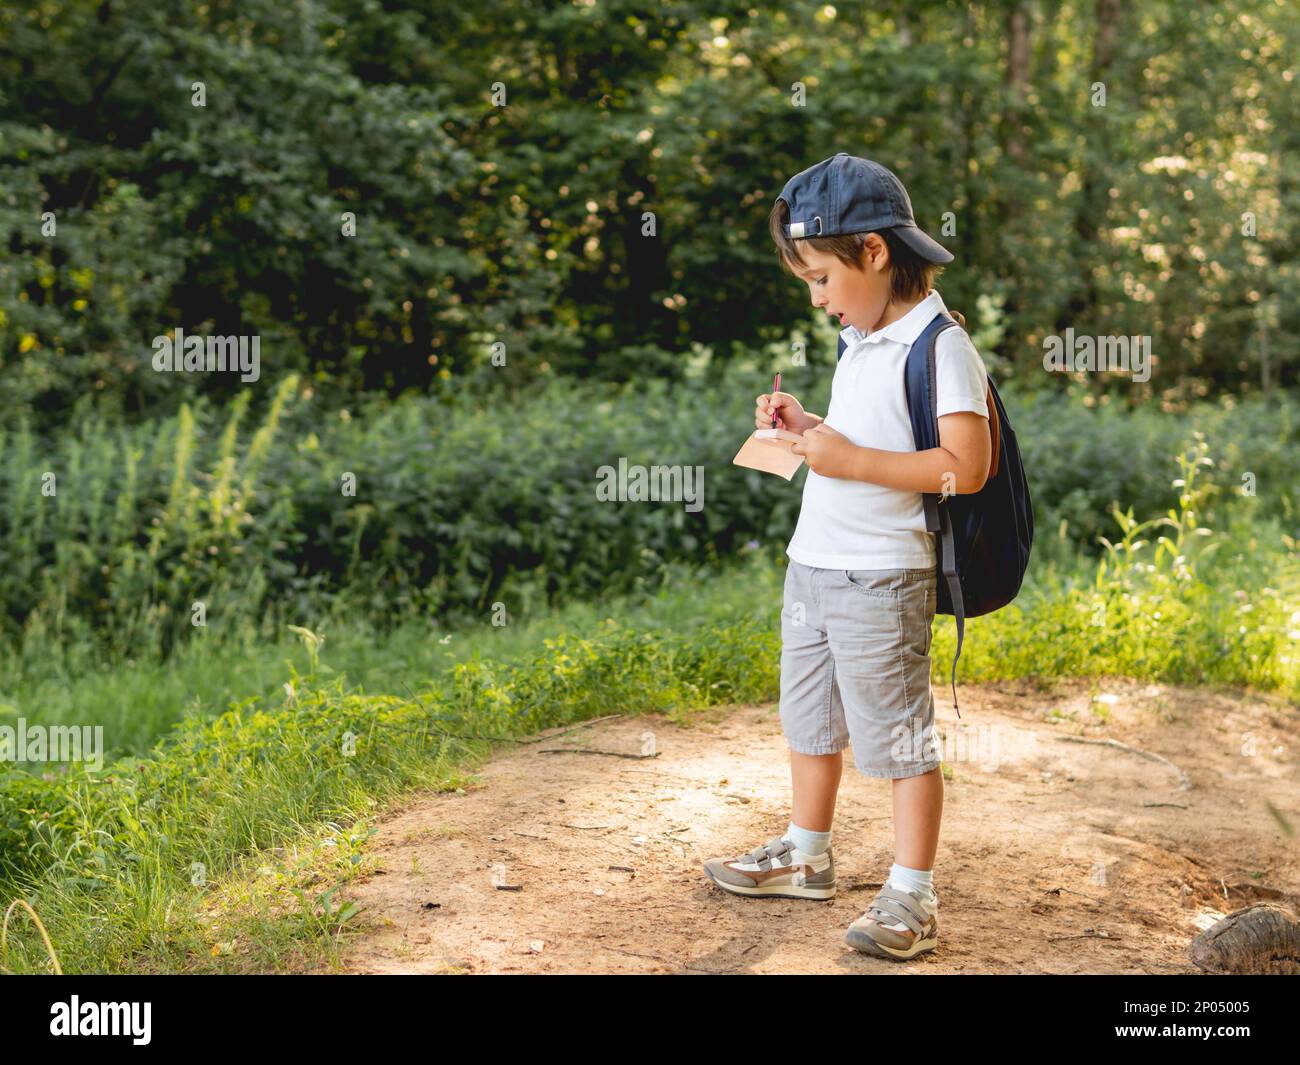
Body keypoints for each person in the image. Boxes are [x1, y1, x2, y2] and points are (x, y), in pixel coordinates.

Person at [702, 153, 993, 960]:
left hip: (882, 572)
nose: (817, 297)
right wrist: (807, 427)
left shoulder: (940, 346)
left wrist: (849, 460)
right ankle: (805, 851)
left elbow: (964, 467)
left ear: (872, 251)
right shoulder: (859, 340)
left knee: (898, 736)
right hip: (814, 564)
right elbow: (862, 440)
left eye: (822, 278)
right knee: (810, 719)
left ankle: (911, 892)